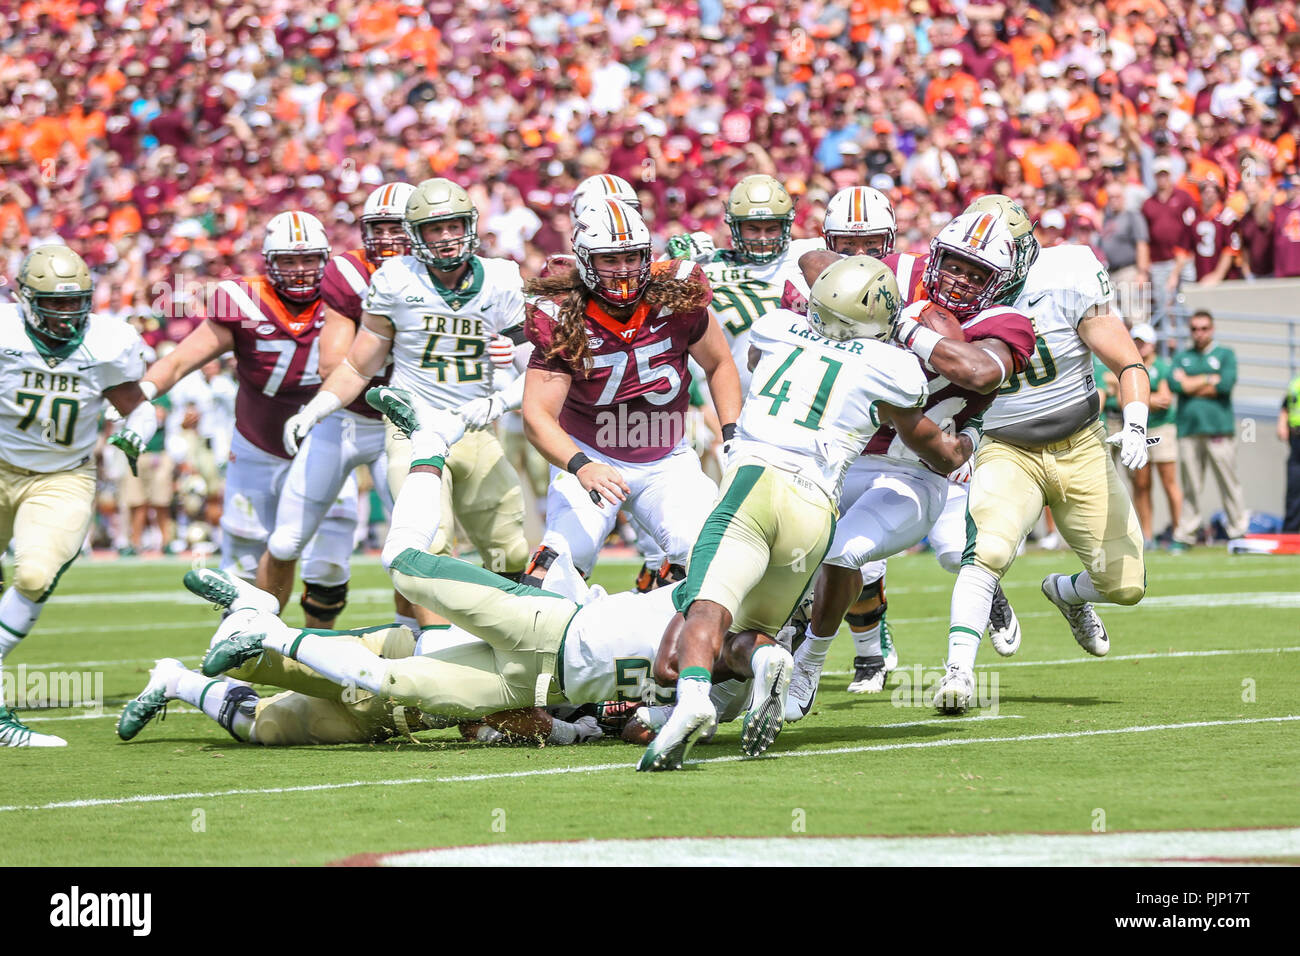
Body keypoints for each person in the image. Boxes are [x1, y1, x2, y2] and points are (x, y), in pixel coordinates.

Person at [641, 256, 976, 771]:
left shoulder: (776, 329)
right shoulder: (894, 367)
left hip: (754, 483)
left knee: (706, 612)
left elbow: (757, 360)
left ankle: (690, 701)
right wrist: (971, 436)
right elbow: (936, 449)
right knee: (752, 634)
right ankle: (768, 666)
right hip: (816, 510)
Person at [786, 212, 1036, 715]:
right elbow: (813, 260)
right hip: (845, 455)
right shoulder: (901, 272)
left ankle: (810, 666)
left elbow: (978, 370)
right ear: (936, 257)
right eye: (955, 266)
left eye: (977, 274)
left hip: (918, 470)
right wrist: (886, 302)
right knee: (785, 556)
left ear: (999, 284)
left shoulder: (1005, 323)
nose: (961, 280)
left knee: (929, 555)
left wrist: (902, 324)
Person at [937, 202, 1153, 712]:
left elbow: (1126, 360)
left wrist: (1138, 421)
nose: (967, 277)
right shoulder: (947, 298)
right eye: (963, 263)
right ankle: (958, 673)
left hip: (1081, 442)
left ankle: (1068, 594)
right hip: (1006, 448)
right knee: (986, 552)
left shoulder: (1067, 274)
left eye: (986, 263)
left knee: (1126, 586)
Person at [281, 178, 531, 601]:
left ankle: (512, 642)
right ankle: (433, 647)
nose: (447, 238)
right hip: (414, 430)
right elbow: (360, 365)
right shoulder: (397, 280)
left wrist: (499, 398)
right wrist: (316, 408)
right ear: (415, 235)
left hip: (476, 428)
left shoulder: (502, 278)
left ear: (469, 225)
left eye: (453, 226)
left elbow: (541, 365)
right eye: (435, 229)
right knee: (431, 544)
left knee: (511, 548)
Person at [141, 212, 360, 630]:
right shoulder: (242, 299)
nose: (300, 270)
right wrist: (142, 396)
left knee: (330, 560)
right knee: (242, 558)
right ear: (268, 261)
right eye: (289, 261)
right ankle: (245, 653)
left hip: (328, 440)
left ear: (326, 259)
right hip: (258, 443)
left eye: (310, 259)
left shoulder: (346, 297)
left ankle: (320, 656)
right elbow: (179, 360)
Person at [521, 198, 740, 582]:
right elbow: (538, 414)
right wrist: (581, 465)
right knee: (556, 570)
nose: (623, 270)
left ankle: (666, 604)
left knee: (712, 556)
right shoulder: (563, 314)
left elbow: (719, 363)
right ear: (586, 261)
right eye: (610, 260)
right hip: (592, 452)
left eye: (632, 257)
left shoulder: (676, 295)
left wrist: (732, 435)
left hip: (667, 459)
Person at [0, 246, 155, 747]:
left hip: (60, 478)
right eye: (55, 304)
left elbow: (137, 405)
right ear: (25, 299)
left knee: (34, 573)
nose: (68, 314)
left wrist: (137, 430)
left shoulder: (107, 342)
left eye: (76, 303)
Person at [263, 182, 415, 628]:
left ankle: (416, 647)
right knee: (288, 539)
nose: (387, 238)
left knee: (417, 546)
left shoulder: (443, 276)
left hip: (408, 426)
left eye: (397, 227)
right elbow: (334, 363)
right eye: (379, 227)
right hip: (347, 419)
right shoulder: (348, 273)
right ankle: (255, 632)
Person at [670, 175, 826, 395]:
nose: (762, 239)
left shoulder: (808, 254)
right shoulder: (708, 265)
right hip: (726, 399)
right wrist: (672, 263)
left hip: (800, 396)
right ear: (734, 227)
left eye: (771, 229)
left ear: (786, 225)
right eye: (753, 229)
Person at [1171, 310, 1246, 545]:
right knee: (1191, 486)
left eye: (1204, 328)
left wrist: (1191, 382)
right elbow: (1176, 385)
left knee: (1228, 482)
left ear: (1212, 329)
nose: (1199, 333)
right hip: (1188, 430)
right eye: (1194, 329)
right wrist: (1207, 379)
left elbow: (1224, 385)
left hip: (1218, 430)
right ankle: (1186, 534)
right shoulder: (1182, 356)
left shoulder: (1225, 354)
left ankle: (1238, 531)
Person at [1128, 323, 1183, 548]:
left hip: (1161, 429)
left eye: (1143, 342)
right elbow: (1125, 399)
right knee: (1141, 484)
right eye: (1136, 341)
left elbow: (1165, 399)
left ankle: (1180, 533)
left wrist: (1141, 399)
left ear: (1151, 344)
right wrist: (1150, 400)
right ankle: (1147, 535)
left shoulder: (1162, 366)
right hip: (1139, 429)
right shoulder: (1130, 367)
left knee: (1169, 482)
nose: (1140, 346)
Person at [1280, 373, 1300, 533]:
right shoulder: (1296, 381)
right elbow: (1287, 404)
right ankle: (1290, 533)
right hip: (1296, 439)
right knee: (1293, 488)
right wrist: (1282, 423)